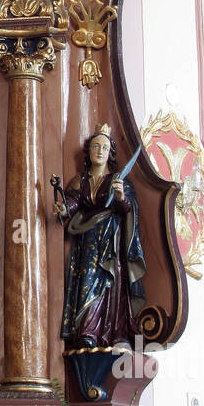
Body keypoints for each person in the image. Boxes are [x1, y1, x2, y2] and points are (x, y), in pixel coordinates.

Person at [55, 125, 145, 361]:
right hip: (87, 238)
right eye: (96, 146)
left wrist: (120, 196)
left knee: (111, 283)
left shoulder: (117, 179)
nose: (100, 150)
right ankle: (87, 332)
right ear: (89, 151)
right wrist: (64, 208)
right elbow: (73, 202)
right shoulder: (80, 180)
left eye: (104, 147)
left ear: (110, 153)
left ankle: (115, 332)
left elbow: (127, 208)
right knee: (87, 281)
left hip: (111, 238)